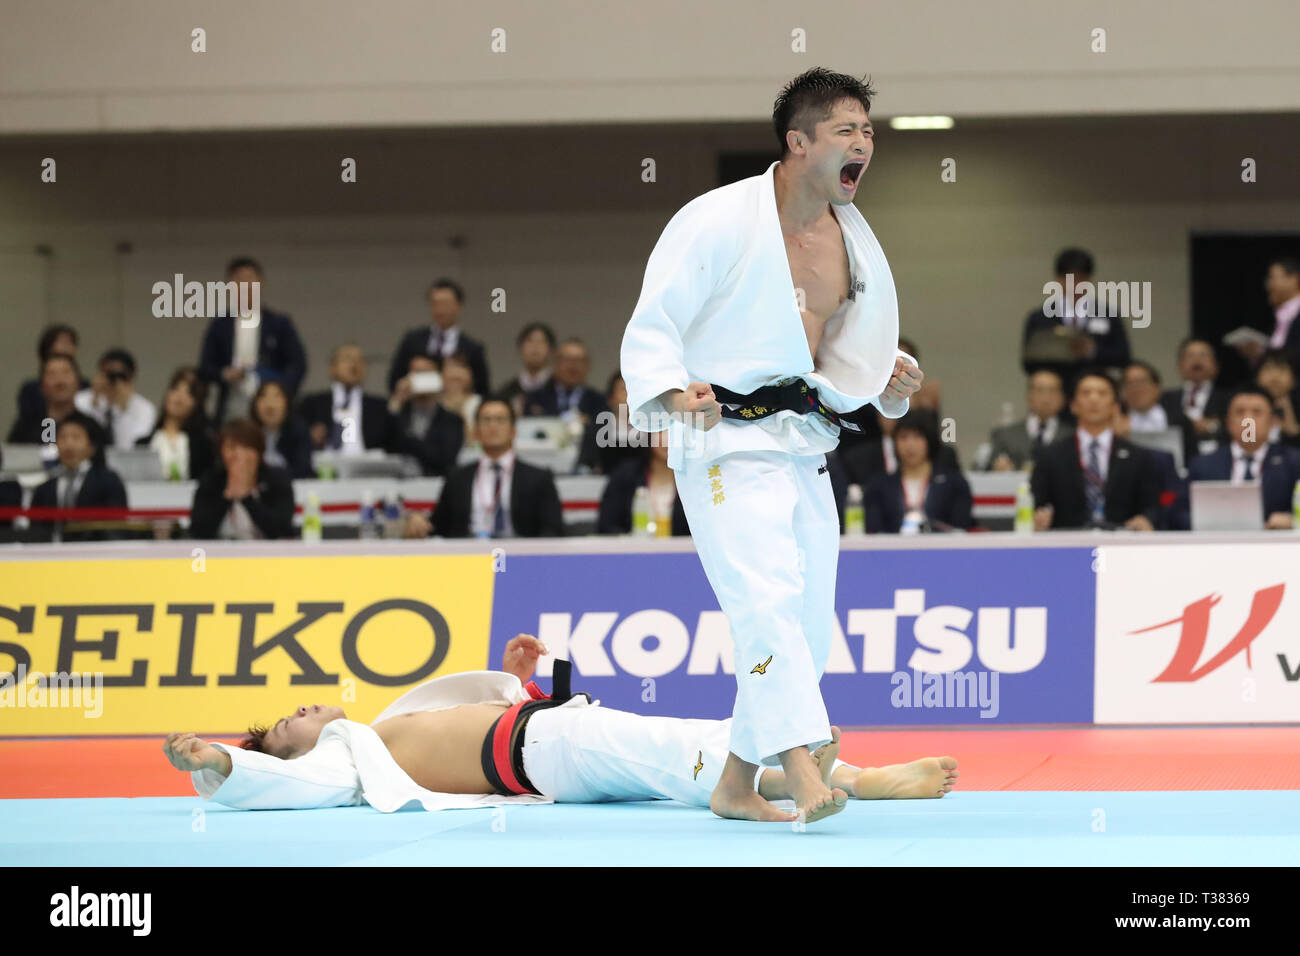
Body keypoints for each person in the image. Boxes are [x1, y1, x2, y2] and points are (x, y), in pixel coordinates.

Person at [619, 68, 922, 823]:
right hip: (722, 438)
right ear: (799, 142)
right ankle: (804, 763)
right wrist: (663, 392)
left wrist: (881, 381)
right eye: (847, 131)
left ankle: (732, 783)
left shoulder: (850, 242)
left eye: (869, 133)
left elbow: (839, 356)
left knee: (809, 612)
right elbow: (655, 316)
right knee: (765, 598)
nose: (864, 145)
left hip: (803, 438)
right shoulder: (718, 220)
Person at [165, 633, 959, 814]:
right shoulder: (342, 761)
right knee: (686, 751)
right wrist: (223, 762)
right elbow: (280, 786)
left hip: (549, 736)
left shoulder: (382, 726)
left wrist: (520, 680)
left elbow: (480, 719)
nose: (300, 714)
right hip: (546, 749)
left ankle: (845, 778)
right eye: (283, 726)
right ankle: (782, 784)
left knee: (697, 743)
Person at [404, 399, 564, 539]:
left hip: (520, 557)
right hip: (468, 558)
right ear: (476, 432)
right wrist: (419, 522)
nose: (493, 426)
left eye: (500, 420)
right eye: (486, 420)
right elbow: (438, 526)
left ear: (513, 431)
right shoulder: (458, 477)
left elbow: (552, 529)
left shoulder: (539, 478)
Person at [1030, 370, 1161, 531]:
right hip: (1067, 542)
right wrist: (1038, 517)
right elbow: (1037, 503)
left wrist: (1146, 519)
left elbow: (1152, 506)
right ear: (1073, 405)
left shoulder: (1138, 456)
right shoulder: (1050, 455)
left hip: (1122, 542)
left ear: (1115, 406)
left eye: (1102, 393)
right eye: (1086, 393)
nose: (1094, 399)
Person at [197, 257, 308, 424]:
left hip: (270, 401)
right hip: (232, 400)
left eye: (249, 279)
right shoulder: (220, 325)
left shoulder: (279, 324)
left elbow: (298, 364)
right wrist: (224, 373)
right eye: (238, 280)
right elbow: (205, 366)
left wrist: (279, 390)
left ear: (261, 284)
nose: (244, 285)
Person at [1175, 385, 1300, 530]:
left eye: (1257, 412)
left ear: (1272, 422)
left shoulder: (1294, 462)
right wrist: (1205, 523)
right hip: (1216, 544)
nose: (1248, 420)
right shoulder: (1203, 464)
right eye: (1240, 412)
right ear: (1228, 422)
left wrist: (1293, 520)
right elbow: (1178, 512)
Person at [1020, 247, 1131, 390]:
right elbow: (1028, 362)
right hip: (1055, 392)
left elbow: (1124, 357)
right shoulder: (1040, 318)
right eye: (1069, 278)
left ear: (1089, 280)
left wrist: (1092, 351)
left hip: (1094, 392)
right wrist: (1056, 351)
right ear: (1058, 279)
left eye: (1081, 279)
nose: (1075, 285)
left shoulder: (1108, 315)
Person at [865, 412, 972, 533]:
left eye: (917, 437)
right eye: (903, 437)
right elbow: (874, 529)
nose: (910, 445)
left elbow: (961, 526)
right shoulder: (879, 486)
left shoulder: (954, 483)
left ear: (929, 441)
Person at [29, 411, 127, 543]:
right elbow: (35, 530)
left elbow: (116, 525)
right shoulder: (44, 488)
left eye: (76, 437)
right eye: (63, 437)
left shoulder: (109, 481)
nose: (68, 445)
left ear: (91, 446)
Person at [190, 419, 295, 540]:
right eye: (232, 447)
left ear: (259, 451)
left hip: (268, 555)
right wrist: (226, 497)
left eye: (246, 447)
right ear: (221, 452)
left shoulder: (277, 479)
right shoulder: (211, 480)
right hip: (219, 555)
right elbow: (198, 531)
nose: (239, 454)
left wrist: (247, 498)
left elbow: (282, 530)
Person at [386, 279, 490, 396]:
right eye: (435, 304)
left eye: (446, 304)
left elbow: (483, 389)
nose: (440, 310)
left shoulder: (472, 348)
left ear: (459, 305)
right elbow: (393, 382)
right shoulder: (412, 341)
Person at [297, 344, 399, 454]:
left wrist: (396, 406)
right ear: (332, 368)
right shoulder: (311, 404)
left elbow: (396, 443)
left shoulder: (379, 406)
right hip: (325, 464)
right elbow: (295, 438)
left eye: (359, 360)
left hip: (367, 465)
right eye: (347, 359)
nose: (353, 365)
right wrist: (309, 437)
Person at [387, 355, 465, 477]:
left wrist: (411, 438)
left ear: (438, 378)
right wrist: (397, 400)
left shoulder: (452, 420)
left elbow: (445, 460)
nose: (421, 378)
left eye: (426, 373)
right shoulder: (399, 417)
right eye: (416, 373)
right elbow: (385, 448)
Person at [596, 438, 689, 535]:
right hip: (632, 548)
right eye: (661, 431)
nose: (668, 440)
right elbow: (606, 526)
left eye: (674, 433)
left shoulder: (694, 480)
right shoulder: (625, 475)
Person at [137, 367, 215, 481]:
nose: (179, 397)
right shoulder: (142, 444)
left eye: (189, 393)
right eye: (176, 389)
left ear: (197, 403)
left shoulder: (204, 447)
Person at [73, 348, 157, 450]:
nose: (114, 381)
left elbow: (134, 446)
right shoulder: (80, 400)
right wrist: (94, 403)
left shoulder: (144, 408)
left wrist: (124, 410)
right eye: (109, 374)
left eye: (121, 376)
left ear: (131, 379)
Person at [986, 369, 1067, 471]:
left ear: (1062, 398)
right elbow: (987, 470)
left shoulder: (1072, 435)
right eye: (1040, 390)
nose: (1046, 398)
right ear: (1029, 396)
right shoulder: (1004, 435)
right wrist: (998, 467)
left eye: (1052, 391)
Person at [1159, 338, 1229, 452]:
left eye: (1203, 355)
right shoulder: (1165, 399)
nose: (1197, 360)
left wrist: (1212, 427)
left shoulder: (1229, 398)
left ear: (1216, 366)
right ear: (1180, 366)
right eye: (1190, 356)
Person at [521, 338, 608, 425]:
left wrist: (588, 424)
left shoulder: (599, 402)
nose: (573, 365)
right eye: (567, 359)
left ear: (588, 366)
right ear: (556, 363)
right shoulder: (535, 399)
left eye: (579, 360)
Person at [15, 324, 88, 420]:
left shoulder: (86, 387)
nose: (66, 348)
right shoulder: (30, 390)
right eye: (62, 342)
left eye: (71, 343)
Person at [7, 354, 81, 446]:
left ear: (78, 383)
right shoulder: (26, 426)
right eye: (52, 374)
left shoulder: (90, 427)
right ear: (42, 387)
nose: (60, 381)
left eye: (66, 372)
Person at [250, 380, 314, 479]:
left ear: (287, 403)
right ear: (255, 404)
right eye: (263, 396)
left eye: (277, 397)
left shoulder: (299, 432)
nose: (269, 404)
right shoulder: (247, 434)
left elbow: (303, 470)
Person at [497, 322, 556, 417]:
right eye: (530, 341)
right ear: (520, 347)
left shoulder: (560, 390)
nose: (535, 347)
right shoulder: (507, 392)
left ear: (551, 350)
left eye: (541, 342)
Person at [1254, 348, 1300, 449]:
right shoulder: (1245, 403)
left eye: (1282, 369)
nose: (1275, 376)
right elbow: (1245, 440)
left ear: (1294, 379)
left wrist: (1291, 428)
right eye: (1268, 369)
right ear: (1257, 377)